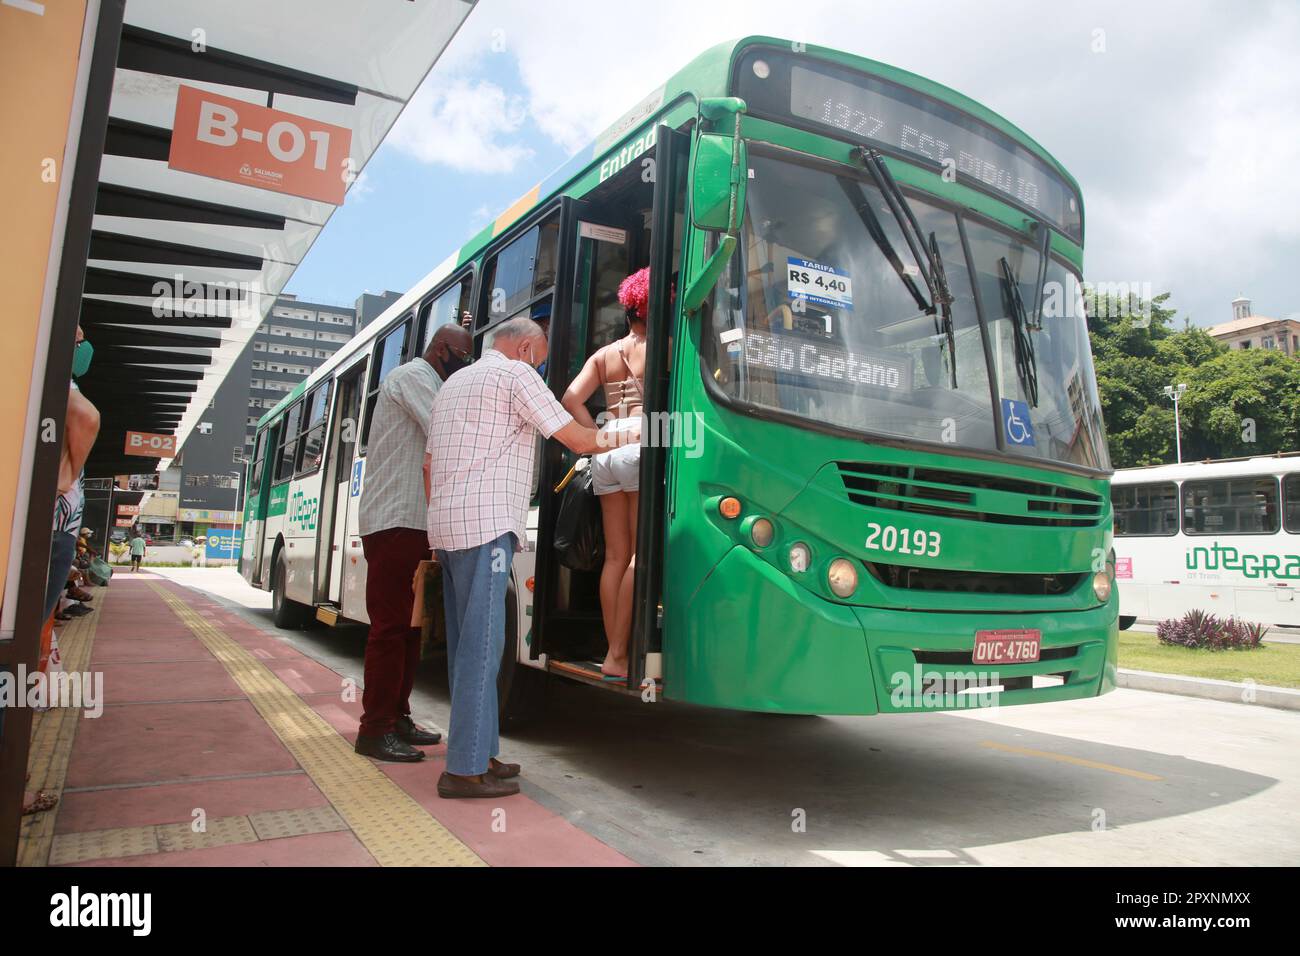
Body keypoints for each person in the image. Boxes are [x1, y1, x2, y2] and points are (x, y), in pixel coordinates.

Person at [423, 316, 634, 798]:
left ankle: (480, 752)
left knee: (464, 649)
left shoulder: (453, 383)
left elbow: (429, 464)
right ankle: (462, 771)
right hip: (487, 525)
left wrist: (435, 534)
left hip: (449, 528)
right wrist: (636, 432)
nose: (539, 368)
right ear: (522, 349)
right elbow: (579, 440)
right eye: (538, 359)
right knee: (484, 646)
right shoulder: (515, 375)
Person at [354, 322, 473, 762]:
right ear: (441, 349)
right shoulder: (412, 378)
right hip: (395, 520)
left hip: (414, 522)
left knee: (407, 632)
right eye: (461, 356)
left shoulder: (429, 380)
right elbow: (448, 431)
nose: (463, 365)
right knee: (390, 629)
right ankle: (374, 730)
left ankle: (397, 717)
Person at [562, 268, 649, 679]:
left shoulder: (605, 354)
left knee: (614, 557)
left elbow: (569, 399)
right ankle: (618, 654)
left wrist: (596, 436)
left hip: (607, 447)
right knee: (639, 555)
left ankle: (610, 653)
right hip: (643, 440)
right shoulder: (665, 345)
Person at [44, 326, 99, 622]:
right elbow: (87, 416)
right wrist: (66, 478)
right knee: (29, 617)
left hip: (56, 520)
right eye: (79, 337)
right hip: (57, 518)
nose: (85, 343)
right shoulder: (59, 383)